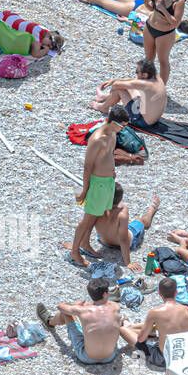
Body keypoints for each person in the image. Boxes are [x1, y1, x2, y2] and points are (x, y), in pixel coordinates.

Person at [69, 107, 128, 267]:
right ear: (114, 122)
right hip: (97, 183)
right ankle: (74, 252)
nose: (124, 129)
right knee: (87, 219)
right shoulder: (97, 139)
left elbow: (109, 155)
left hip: (107, 181)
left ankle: (85, 244)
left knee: (96, 215)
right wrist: (85, 190)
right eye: (122, 126)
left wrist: (113, 171)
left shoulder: (113, 134)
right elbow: (87, 166)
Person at [37, 278, 133, 365]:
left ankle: (49, 322)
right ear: (105, 294)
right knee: (110, 323)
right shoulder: (115, 307)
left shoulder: (83, 310)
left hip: (87, 357)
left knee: (66, 314)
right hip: (110, 356)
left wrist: (75, 305)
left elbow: (60, 307)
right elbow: (102, 307)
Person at [126, 277, 188, 364]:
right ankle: (133, 327)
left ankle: (129, 328)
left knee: (123, 330)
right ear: (176, 293)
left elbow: (140, 339)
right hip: (182, 353)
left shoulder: (155, 312)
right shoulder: (187, 310)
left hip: (163, 358)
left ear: (160, 294)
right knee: (154, 328)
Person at [94, 186, 161, 271]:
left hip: (104, 241)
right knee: (140, 221)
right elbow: (124, 239)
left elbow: (85, 227)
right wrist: (128, 262)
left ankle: (123, 226)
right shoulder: (122, 211)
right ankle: (152, 209)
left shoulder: (96, 208)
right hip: (127, 242)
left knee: (118, 226)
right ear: (120, 198)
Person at [92, 59, 167, 126]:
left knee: (119, 90)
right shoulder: (157, 78)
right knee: (129, 88)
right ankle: (104, 97)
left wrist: (114, 83)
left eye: (137, 72)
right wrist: (113, 81)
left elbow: (117, 85)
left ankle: (103, 107)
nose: (136, 74)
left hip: (142, 121)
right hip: (153, 118)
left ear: (145, 75)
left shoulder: (144, 84)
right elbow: (133, 81)